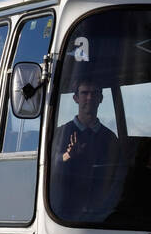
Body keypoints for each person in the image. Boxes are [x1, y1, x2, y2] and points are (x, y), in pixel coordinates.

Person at [50, 72, 120, 220]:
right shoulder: (61, 133)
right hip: (65, 213)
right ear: (76, 98)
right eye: (84, 93)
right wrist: (68, 156)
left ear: (100, 99)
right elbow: (49, 166)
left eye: (94, 93)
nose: (89, 97)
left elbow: (116, 174)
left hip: (102, 213)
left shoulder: (110, 138)